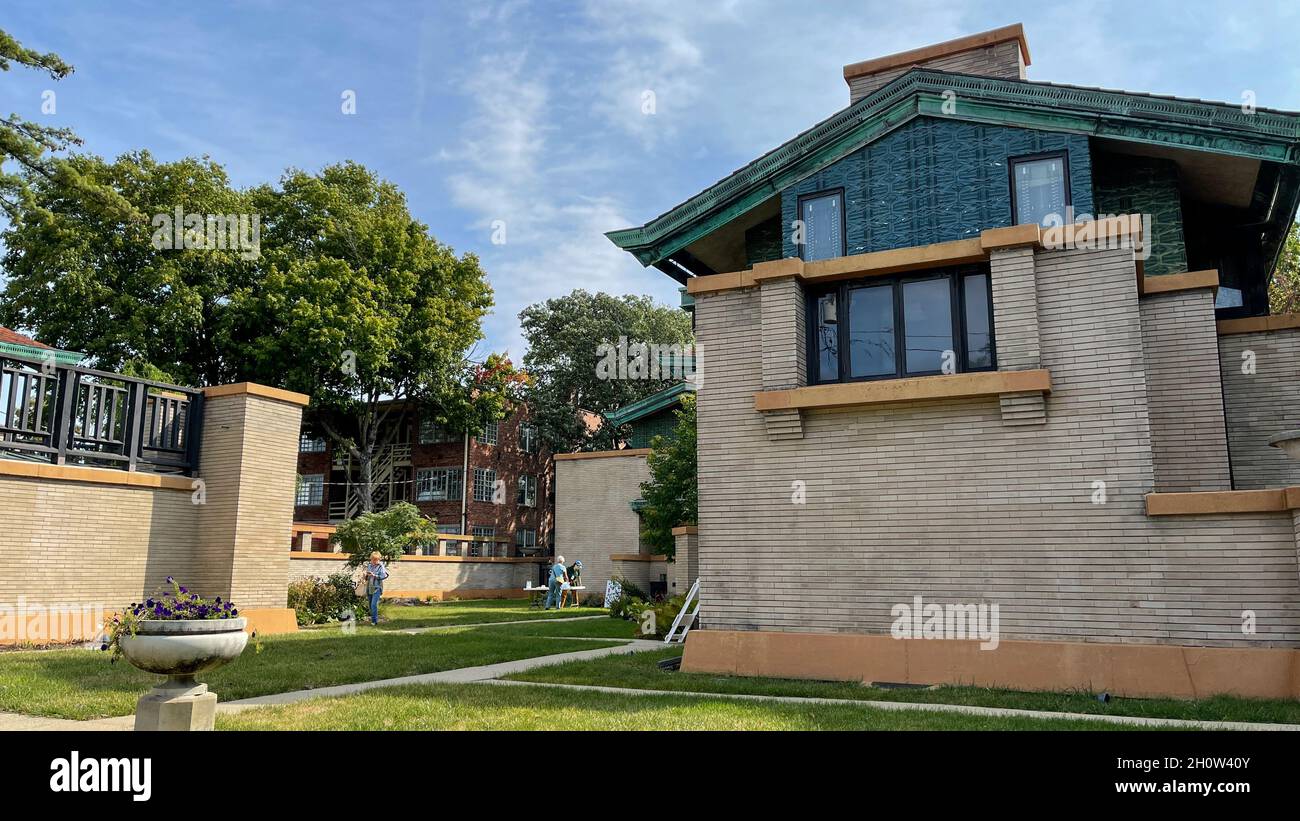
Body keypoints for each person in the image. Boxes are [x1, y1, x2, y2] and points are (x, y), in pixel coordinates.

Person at [362, 551, 389, 625]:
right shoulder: (370, 565)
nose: (374, 561)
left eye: (376, 559)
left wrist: (374, 575)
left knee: (374, 604)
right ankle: (373, 619)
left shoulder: (381, 566)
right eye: (373, 559)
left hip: (377, 587)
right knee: (370, 605)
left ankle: (374, 621)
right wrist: (366, 576)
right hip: (369, 586)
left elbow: (384, 576)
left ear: (379, 559)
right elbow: (367, 577)